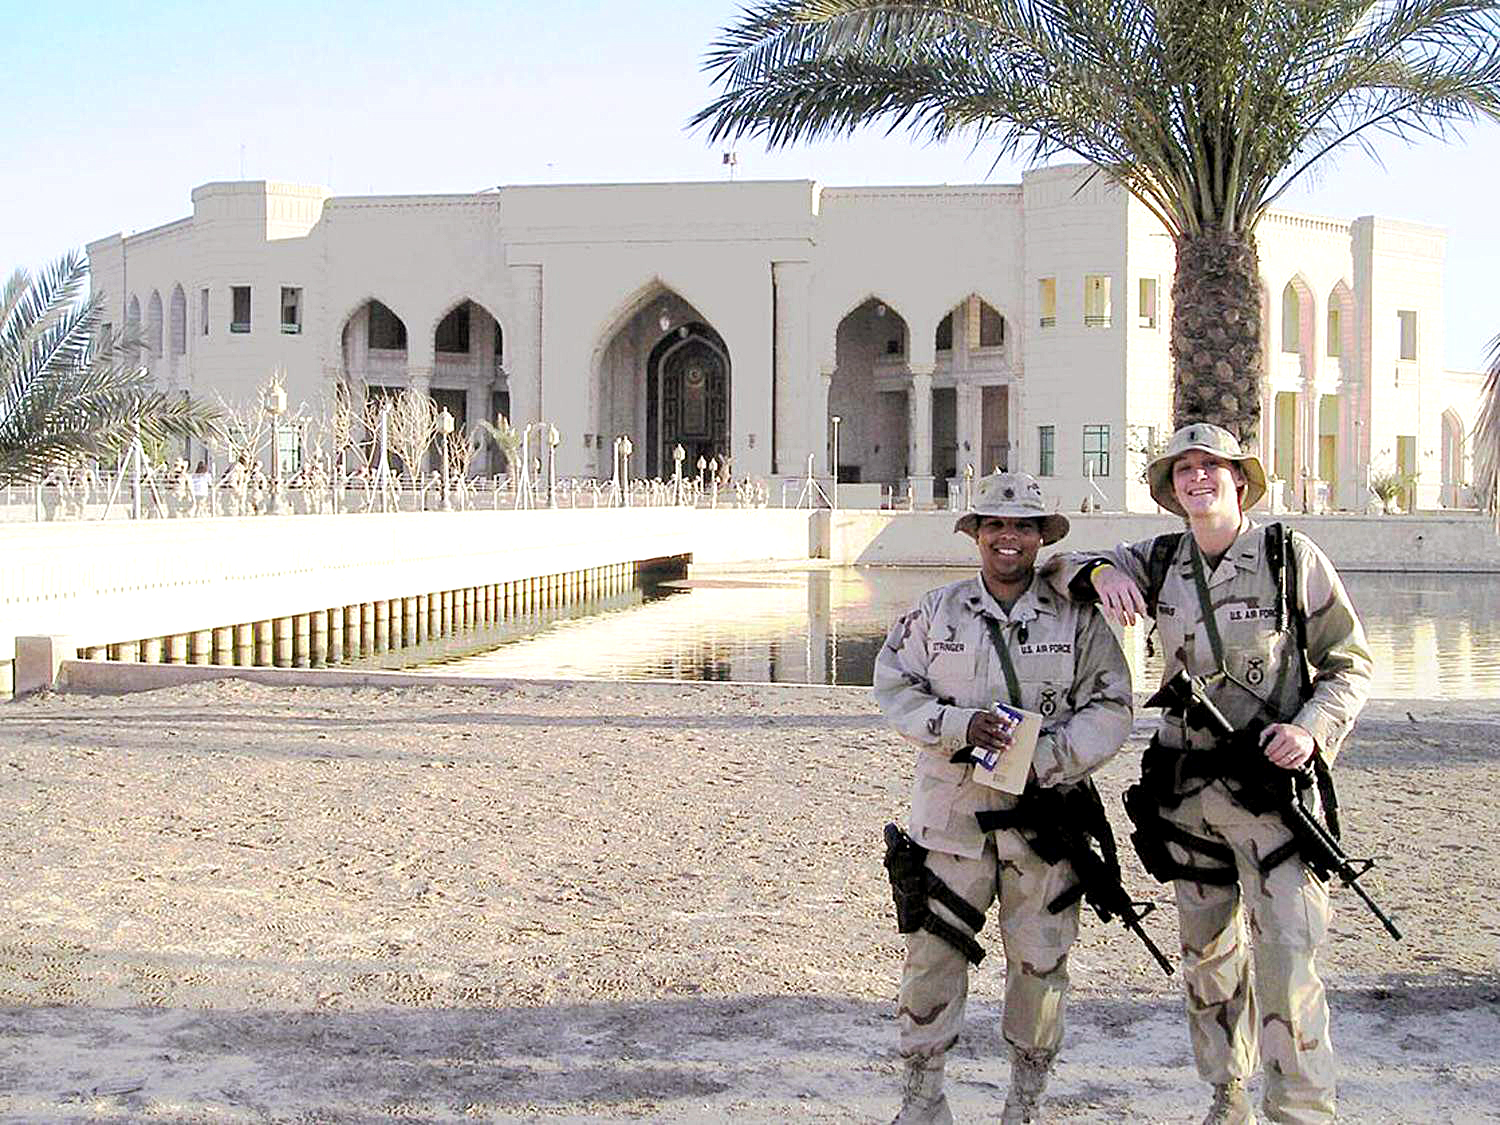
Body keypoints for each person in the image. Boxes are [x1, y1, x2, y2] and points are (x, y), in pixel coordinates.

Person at [1056, 423, 1373, 1125]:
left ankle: (1299, 1111)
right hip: (1189, 799)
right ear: (1171, 489)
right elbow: (1062, 567)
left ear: (1239, 480)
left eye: (1211, 468)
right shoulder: (1161, 558)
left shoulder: (1289, 557)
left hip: (1274, 802)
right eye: (1184, 470)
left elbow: (1350, 665)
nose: (1198, 479)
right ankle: (1228, 1099)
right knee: (1209, 963)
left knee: (1288, 968)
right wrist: (1102, 574)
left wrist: (1310, 731)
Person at [874, 472, 1133, 1125]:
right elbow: (894, 688)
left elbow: (1112, 703)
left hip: (1044, 821)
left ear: (1042, 537)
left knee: (1040, 960)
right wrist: (959, 726)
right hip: (953, 819)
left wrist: (1050, 755)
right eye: (994, 525)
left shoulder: (1079, 617)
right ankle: (924, 1097)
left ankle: (1024, 1102)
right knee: (933, 954)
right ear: (976, 534)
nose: (1008, 538)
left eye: (1022, 526)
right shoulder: (936, 613)